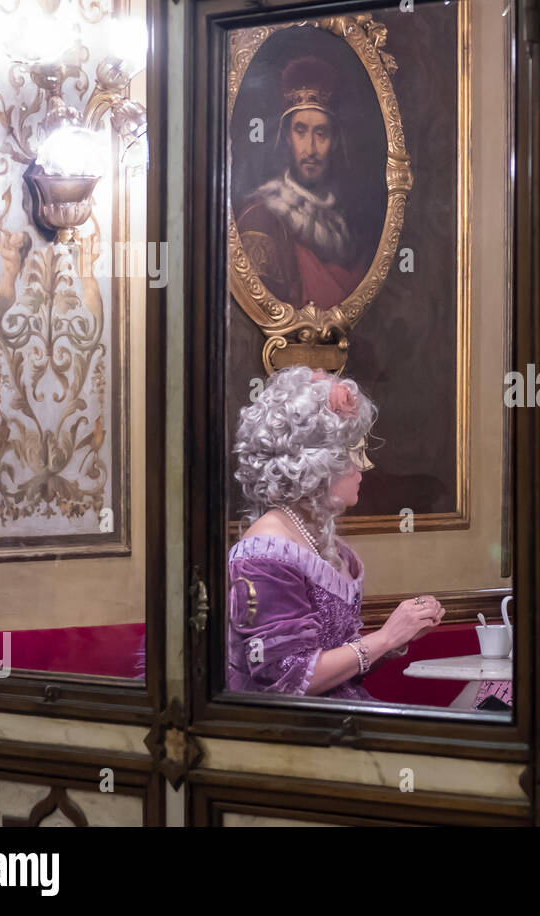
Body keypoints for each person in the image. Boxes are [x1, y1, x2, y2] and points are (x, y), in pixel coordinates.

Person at [226, 365, 443, 698]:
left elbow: (340, 659)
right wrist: (385, 637)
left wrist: (398, 638)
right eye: (354, 452)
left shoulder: (319, 542)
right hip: (292, 739)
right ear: (316, 463)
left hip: (336, 722)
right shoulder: (266, 551)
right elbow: (287, 681)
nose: (365, 467)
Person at [236, 56, 366, 310]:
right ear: (286, 137)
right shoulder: (262, 217)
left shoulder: (347, 224)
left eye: (321, 133)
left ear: (335, 141)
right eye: (300, 131)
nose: (311, 149)